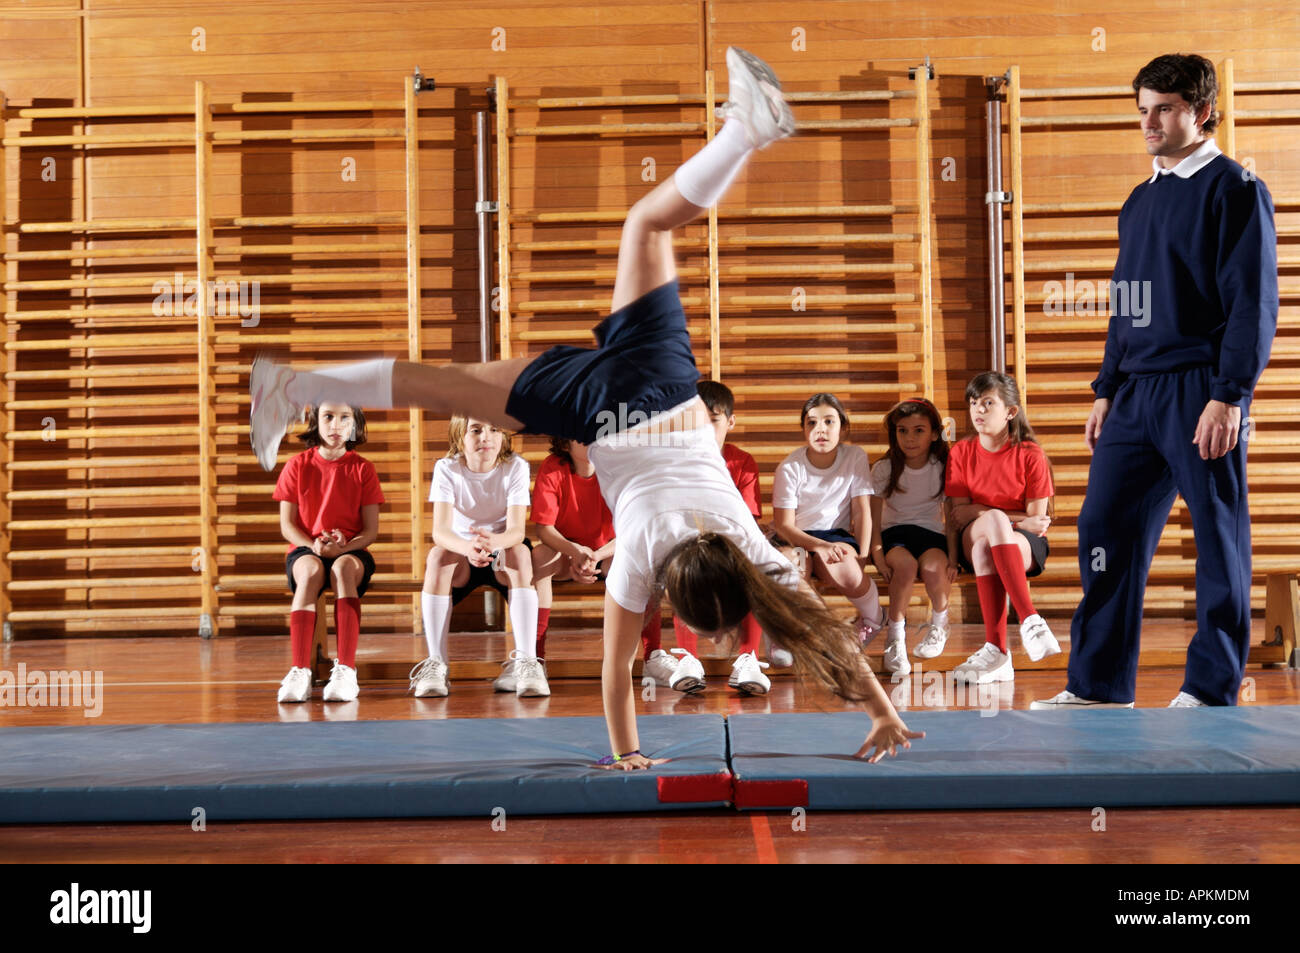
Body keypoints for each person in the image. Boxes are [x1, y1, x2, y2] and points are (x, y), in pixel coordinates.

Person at [249, 46, 921, 767]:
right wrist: (627, 754)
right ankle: (291, 387)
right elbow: (617, 671)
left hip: (670, 385)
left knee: (647, 226)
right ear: (678, 591)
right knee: (440, 386)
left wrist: (884, 712)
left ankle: (744, 133)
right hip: (601, 412)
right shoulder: (641, 557)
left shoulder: (752, 552)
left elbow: (820, 630)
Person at [1034, 54, 1277, 710]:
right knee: (1104, 528)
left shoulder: (1235, 189)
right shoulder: (1139, 201)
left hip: (1203, 389)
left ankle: (1210, 684)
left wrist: (1231, 394)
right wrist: (1107, 387)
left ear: (1199, 111)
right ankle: (1097, 683)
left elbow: (1253, 302)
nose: (1149, 122)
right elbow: (1127, 299)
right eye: (1142, 109)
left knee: (1216, 534)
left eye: (1164, 108)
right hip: (1136, 395)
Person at [409, 415, 546, 698]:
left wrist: (492, 544)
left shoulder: (515, 466)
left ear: (504, 436)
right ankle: (436, 663)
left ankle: (526, 661)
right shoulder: (447, 468)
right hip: (463, 553)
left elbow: (517, 531)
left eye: (494, 429)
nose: (486, 437)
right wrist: (467, 548)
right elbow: (441, 531)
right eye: (476, 430)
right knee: (436, 557)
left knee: (521, 554)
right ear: (460, 437)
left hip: (500, 551)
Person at [656, 378, 773, 694]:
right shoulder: (675, 461)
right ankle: (688, 658)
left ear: (731, 422)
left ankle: (748, 658)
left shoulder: (743, 462)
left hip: (731, 550)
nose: (704, 429)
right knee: (679, 566)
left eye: (714, 420)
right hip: (689, 547)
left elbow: (747, 523)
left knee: (754, 570)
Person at [946, 372, 1060, 684]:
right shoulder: (960, 452)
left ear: (1010, 412)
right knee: (991, 527)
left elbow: (1036, 524)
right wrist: (1004, 517)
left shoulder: (1031, 454)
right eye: (973, 404)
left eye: (987, 403)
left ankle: (997, 652)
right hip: (975, 532)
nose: (978, 411)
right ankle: (1031, 620)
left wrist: (989, 513)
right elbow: (959, 515)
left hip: (1021, 542)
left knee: (989, 543)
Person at [273, 402, 383, 704]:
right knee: (310, 571)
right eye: (329, 417)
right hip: (307, 549)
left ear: (356, 423)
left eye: (345, 417)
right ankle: (300, 669)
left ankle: (346, 669)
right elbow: (287, 526)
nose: (336, 425)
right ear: (315, 422)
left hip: (351, 551)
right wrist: (314, 546)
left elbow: (370, 531)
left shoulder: (363, 468)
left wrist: (343, 546)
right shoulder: (297, 465)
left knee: (342, 569)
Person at [771, 393, 883, 643]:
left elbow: (861, 510)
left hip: (834, 536)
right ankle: (790, 634)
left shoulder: (855, 457)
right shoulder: (790, 467)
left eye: (829, 421)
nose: (820, 429)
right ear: (803, 430)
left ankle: (874, 617)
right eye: (811, 423)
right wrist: (818, 546)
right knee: (793, 569)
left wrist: (862, 557)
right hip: (796, 539)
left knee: (850, 572)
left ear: (843, 428)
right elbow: (784, 525)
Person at [868, 397, 957, 676]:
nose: (909, 438)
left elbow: (951, 517)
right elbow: (873, 517)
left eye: (919, 430)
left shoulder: (941, 466)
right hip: (894, 535)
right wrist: (879, 555)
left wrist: (953, 557)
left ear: (934, 434)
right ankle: (895, 637)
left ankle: (939, 624)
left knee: (933, 567)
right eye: (902, 430)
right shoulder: (884, 468)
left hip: (931, 534)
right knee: (906, 567)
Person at [529, 436, 615, 664]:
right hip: (566, 554)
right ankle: (535, 658)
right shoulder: (553, 467)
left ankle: (650, 654)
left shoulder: (617, 466)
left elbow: (632, 530)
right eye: (584, 434)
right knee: (539, 557)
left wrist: (596, 555)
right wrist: (576, 552)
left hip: (606, 554)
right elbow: (544, 529)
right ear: (565, 444)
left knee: (634, 562)